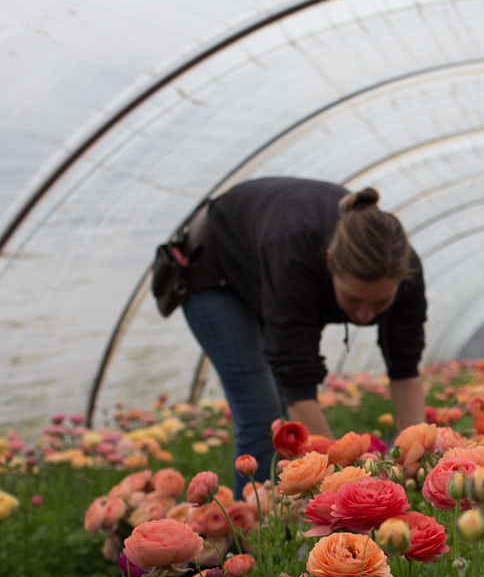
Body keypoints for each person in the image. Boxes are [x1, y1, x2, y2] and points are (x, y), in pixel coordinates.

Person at [163, 178, 427, 497]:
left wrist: (417, 461)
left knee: (283, 419)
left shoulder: (405, 270)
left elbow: (404, 369)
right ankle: (256, 524)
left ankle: (285, 512)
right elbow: (297, 385)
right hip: (215, 268)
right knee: (263, 414)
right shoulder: (295, 257)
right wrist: (347, 489)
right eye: (353, 299)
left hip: (266, 263)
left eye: (380, 303)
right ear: (330, 264)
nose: (364, 316)